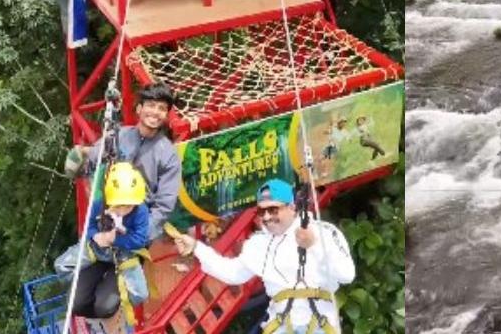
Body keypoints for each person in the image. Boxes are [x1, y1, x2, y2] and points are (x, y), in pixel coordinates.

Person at [171, 179, 355, 334]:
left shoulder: (323, 232)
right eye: (261, 211)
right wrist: (197, 247)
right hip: (281, 325)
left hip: (320, 324)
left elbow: (347, 274)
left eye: (273, 210)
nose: (266, 217)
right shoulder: (258, 244)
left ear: (291, 207)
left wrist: (315, 245)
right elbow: (233, 273)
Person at [64, 83, 182, 241]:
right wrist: (79, 157)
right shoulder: (119, 135)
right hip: (105, 219)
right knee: (67, 265)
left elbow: (164, 205)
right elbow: (92, 161)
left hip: (136, 225)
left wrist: (139, 234)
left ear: (166, 115)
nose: (155, 112)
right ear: (139, 109)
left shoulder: (168, 154)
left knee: (126, 264)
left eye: (162, 108)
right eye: (151, 105)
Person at [56, 162, 151, 325]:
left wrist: (115, 239)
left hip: (124, 255)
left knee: (105, 306)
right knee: (76, 303)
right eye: (121, 205)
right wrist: (96, 236)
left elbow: (139, 239)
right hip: (99, 253)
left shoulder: (140, 210)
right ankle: (101, 314)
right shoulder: (99, 204)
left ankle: (108, 312)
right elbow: (89, 228)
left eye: (129, 205)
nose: (125, 209)